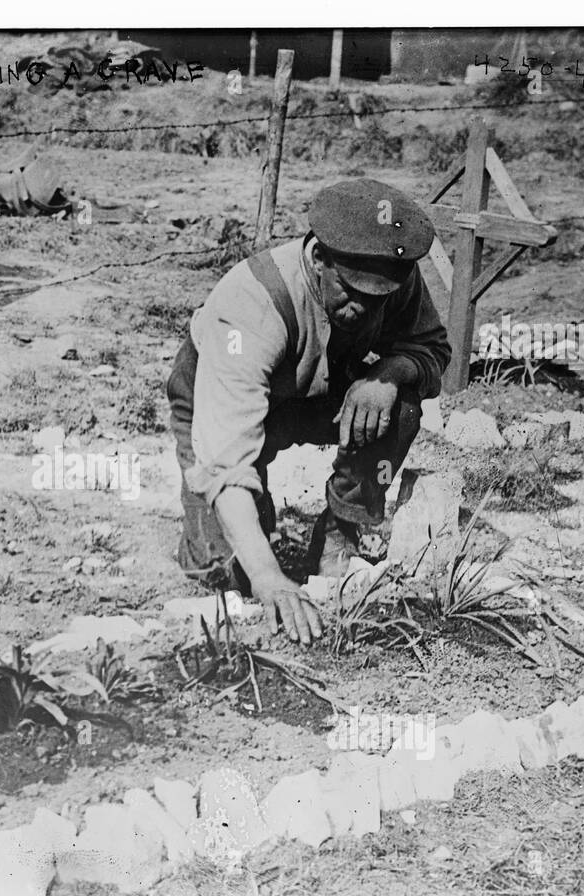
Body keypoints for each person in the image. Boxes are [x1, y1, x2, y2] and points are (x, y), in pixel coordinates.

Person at [166, 178, 450, 644]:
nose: (365, 307)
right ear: (319, 257)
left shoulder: (389, 277)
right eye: (353, 291)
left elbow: (433, 349)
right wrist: (269, 577)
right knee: (225, 576)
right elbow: (226, 458)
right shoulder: (248, 308)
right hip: (219, 402)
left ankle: (343, 526)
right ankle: (246, 529)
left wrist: (388, 376)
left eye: (378, 298)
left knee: (400, 408)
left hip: (317, 394)